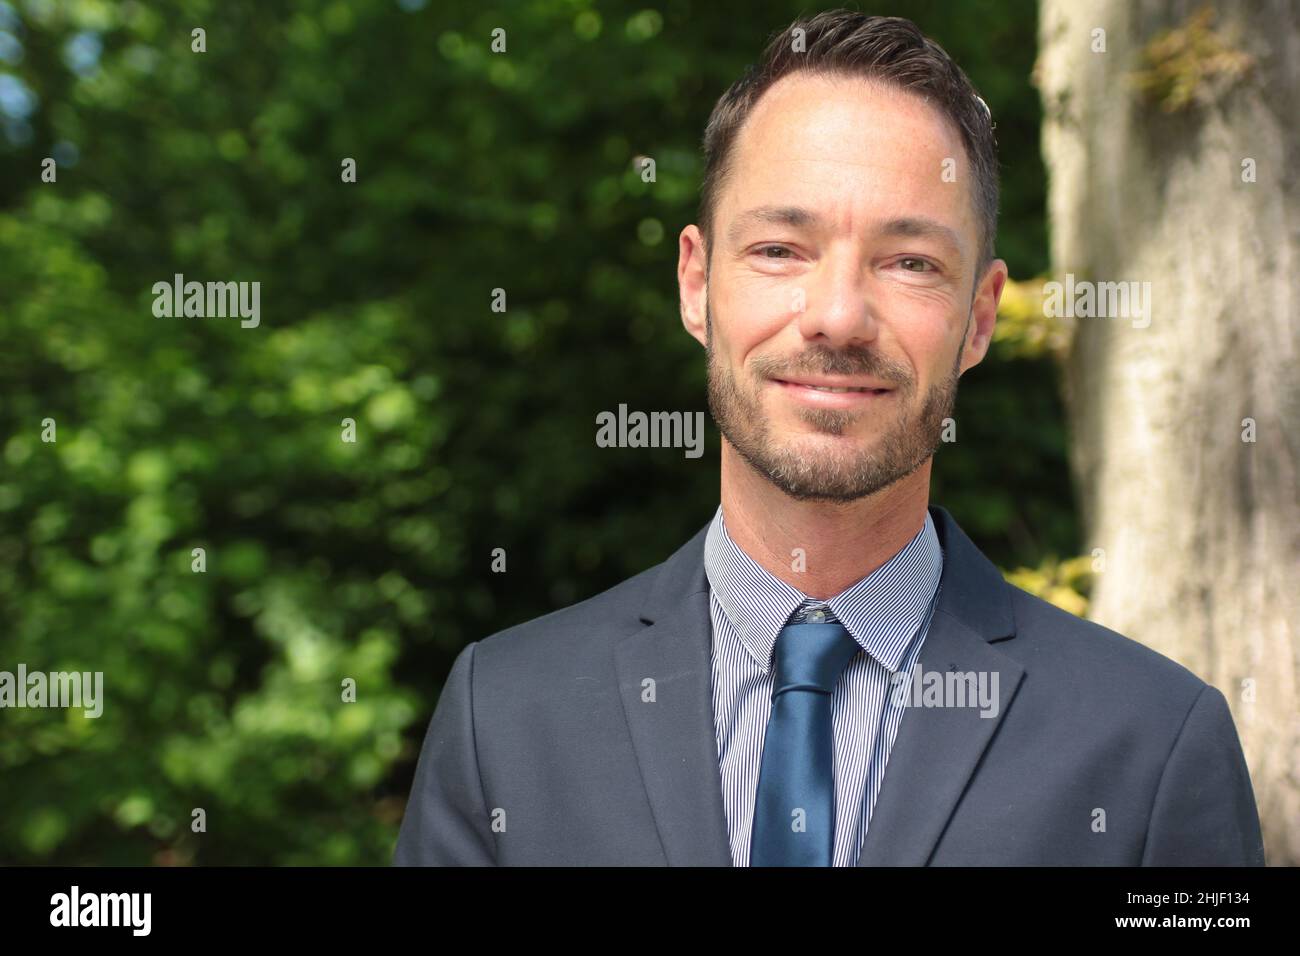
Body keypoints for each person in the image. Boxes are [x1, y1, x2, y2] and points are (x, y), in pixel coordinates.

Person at [393, 10, 1265, 866]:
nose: (839, 317)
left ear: (980, 318)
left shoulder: (1152, 741)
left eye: (911, 262)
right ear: (696, 283)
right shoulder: (503, 718)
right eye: (779, 249)